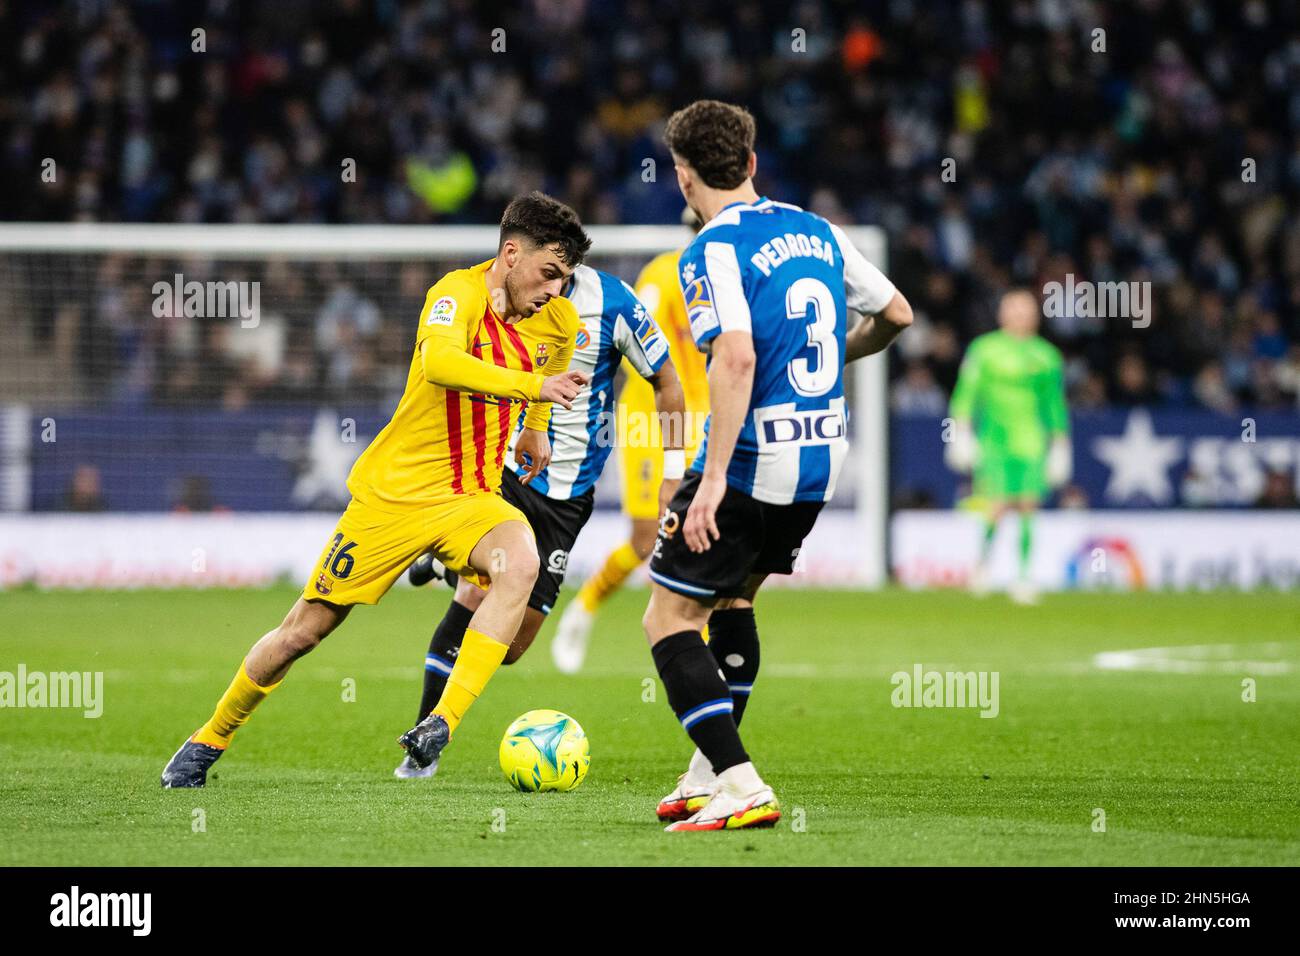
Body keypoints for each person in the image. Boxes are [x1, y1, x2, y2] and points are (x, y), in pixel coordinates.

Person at [160, 192, 592, 787]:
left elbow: (551, 373)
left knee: (520, 563)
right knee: (302, 633)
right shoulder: (454, 296)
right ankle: (209, 737)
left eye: (566, 279)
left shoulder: (561, 323)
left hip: (471, 498)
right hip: (395, 498)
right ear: (511, 254)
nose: (556, 291)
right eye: (549, 273)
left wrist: (536, 432)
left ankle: (440, 722)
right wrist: (533, 389)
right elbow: (442, 365)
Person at [642, 100, 912, 830]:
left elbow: (734, 356)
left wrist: (716, 479)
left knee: (667, 619)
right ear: (753, 164)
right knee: (734, 602)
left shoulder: (709, 250)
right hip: (823, 454)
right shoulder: (817, 231)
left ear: (683, 176)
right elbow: (897, 315)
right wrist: (826, 362)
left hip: (755, 458)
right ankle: (706, 773)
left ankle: (740, 782)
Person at [396, 262, 686, 778]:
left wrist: (671, 473)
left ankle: (443, 567)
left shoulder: (614, 304)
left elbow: (667, 379)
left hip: (569, 494)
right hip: (505, 469)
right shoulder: (501, 295)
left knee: (513, 645)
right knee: (477, 594)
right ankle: (424, 744)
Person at [551, 208, 710, 674]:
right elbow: (635, 342)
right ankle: (584, 608)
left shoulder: (736, 278)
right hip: (650, 417)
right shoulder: (663, 275)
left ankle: (698, 650)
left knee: (699, 534)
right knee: (647, 538)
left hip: (708, 417)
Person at [945, 289, 1071, 604]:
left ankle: (1024, 576)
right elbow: (966, 393)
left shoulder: (1047, 356)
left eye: (1025, 310)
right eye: (1013, 309)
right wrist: (959, 432)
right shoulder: (984, 350)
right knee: (996, 506)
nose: (1018, 316)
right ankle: (982, 568)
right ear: (1002, 313)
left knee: (1029, 506)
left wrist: (1060, 444)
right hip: (994, 442)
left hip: (1031, 443)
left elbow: (1054, 405)